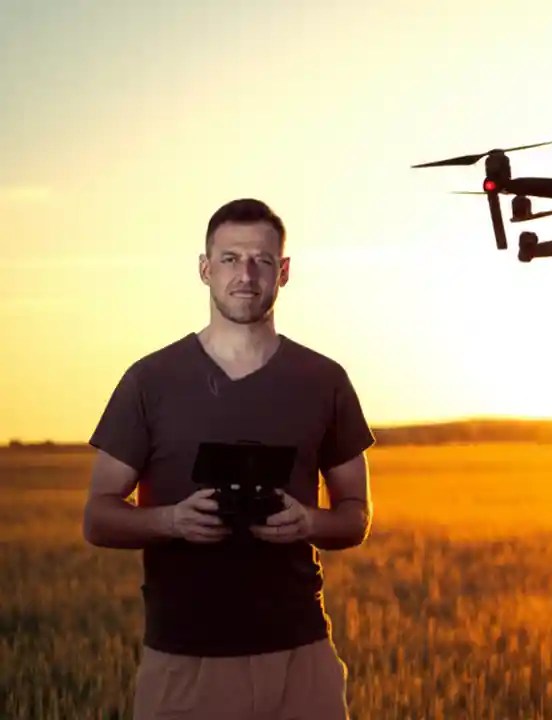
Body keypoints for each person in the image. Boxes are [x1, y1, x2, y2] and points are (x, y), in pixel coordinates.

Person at [81, 197, 376, 719]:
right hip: (185, 663)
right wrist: (173, 521)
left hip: (301, 658)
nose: (246, 274)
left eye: (262, 260)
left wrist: (307, 520)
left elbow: (356, 515)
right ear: (204, 269)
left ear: (283, 272)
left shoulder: (325, 381)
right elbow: (98, 516)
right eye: (229, 258)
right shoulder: (150, 380)